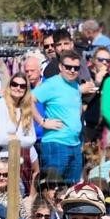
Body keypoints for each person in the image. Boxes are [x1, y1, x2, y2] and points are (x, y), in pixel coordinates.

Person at [32, 49, 85, 183]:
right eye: (68, 67)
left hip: (75, 143)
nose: (72, 70)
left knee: (72, 191)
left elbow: (77, 107)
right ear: (61, 67)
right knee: (52, 189)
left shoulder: (75, 85)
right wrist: (42, 122)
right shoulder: (52, 84)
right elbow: (29, 100)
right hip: (56, 144)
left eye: (76, 68)